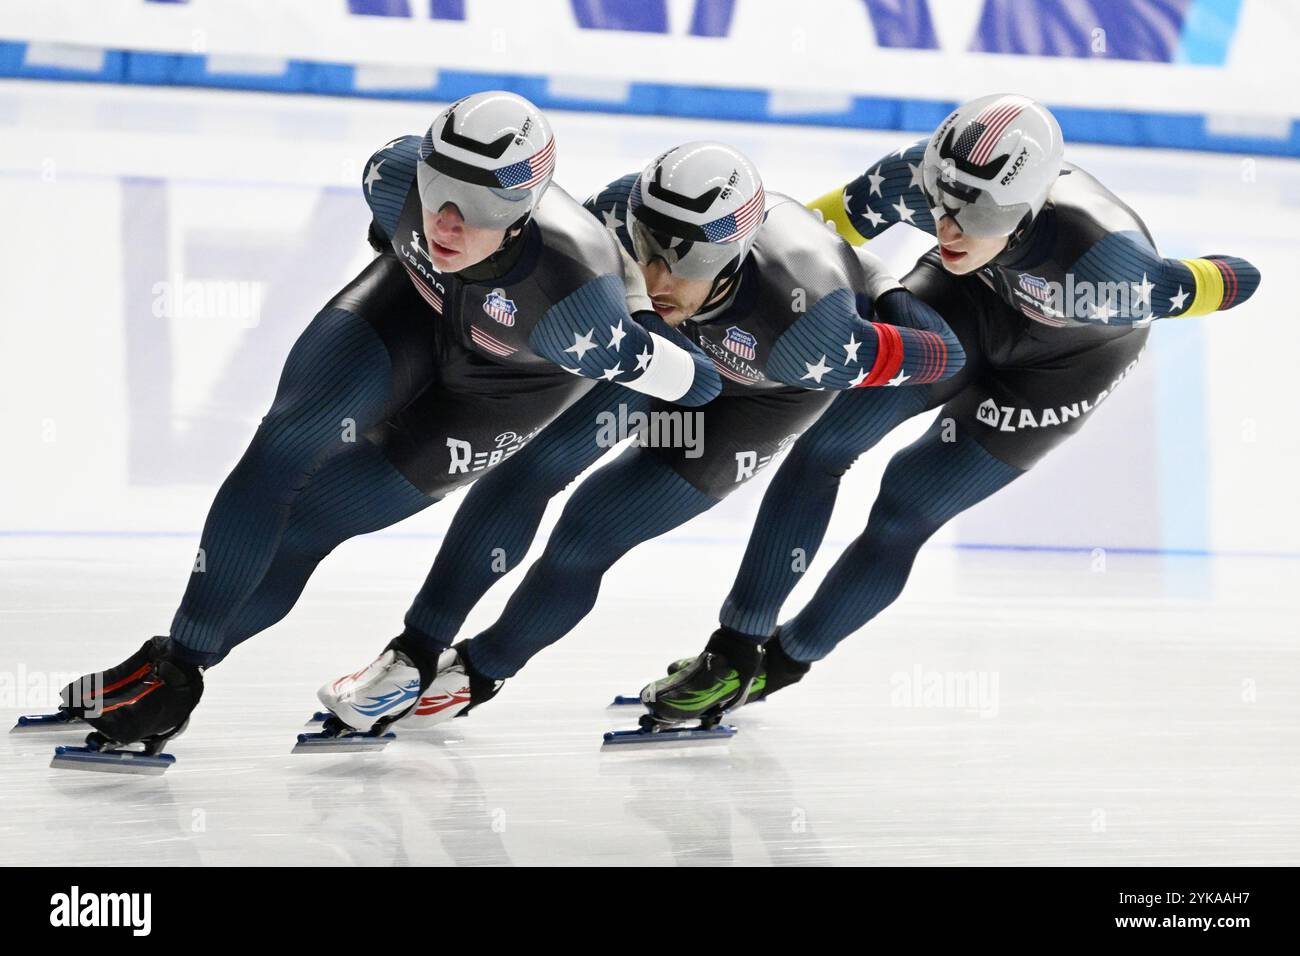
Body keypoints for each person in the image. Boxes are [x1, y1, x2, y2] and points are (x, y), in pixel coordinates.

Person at [55, 91, 723, 757]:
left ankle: (196, 669)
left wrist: (641, 329)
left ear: (520, 212)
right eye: (440, 187)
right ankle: (176, 669)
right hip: (412, 316)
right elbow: (396, 224)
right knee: (283, 444)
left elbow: (700, 385)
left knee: (314, 520)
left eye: (484, 204)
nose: (450, 222)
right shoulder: (393, 176)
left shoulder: (578, 305)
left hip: (501, 392)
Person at [638, 93, 1261, 725]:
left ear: (1029, 205)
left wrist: (1210, 275)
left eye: (977, 211)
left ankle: (788, 660)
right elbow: (798, 234)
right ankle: (736, 650)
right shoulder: (923, 178)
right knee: (823, 444)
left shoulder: (1111, 270)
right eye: (942, 201)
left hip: (1061, 369)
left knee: (907, 505)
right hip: (966, 302)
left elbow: (1232, 279)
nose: (948, 227)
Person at [317, 141, 964, 733]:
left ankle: (483, 669)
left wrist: (882, 284)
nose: (656, 280)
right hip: (668, 349)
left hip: (765, 391)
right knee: (533, 464)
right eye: (647, 251)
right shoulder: (617, 212)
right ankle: (414, 652)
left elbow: (942, 357)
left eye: (683, 265)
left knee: (593, 526)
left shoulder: (814, 330)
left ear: (732, 259)